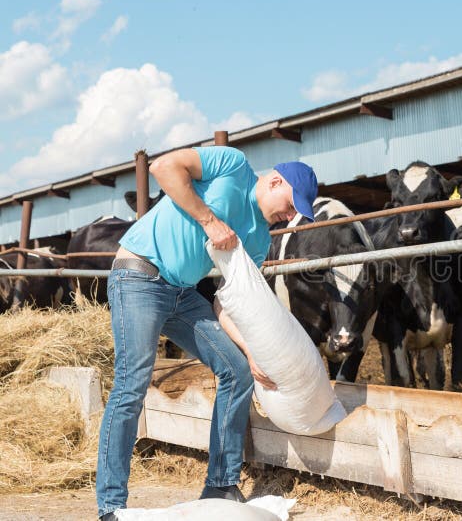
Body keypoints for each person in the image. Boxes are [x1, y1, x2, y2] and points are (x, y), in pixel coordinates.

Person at [96, 146, 318, 520]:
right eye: (292, 203)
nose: (291, 215)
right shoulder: (232, 165)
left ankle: (220, 485)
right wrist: (208, 220)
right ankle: (111, 505)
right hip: (138, 276)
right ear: (276, 180)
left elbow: (229, 303)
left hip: (182, 295)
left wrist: (248, 349)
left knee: (237, 369)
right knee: (132, 383)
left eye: (298, 212)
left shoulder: (260, 238)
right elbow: (164, 167)